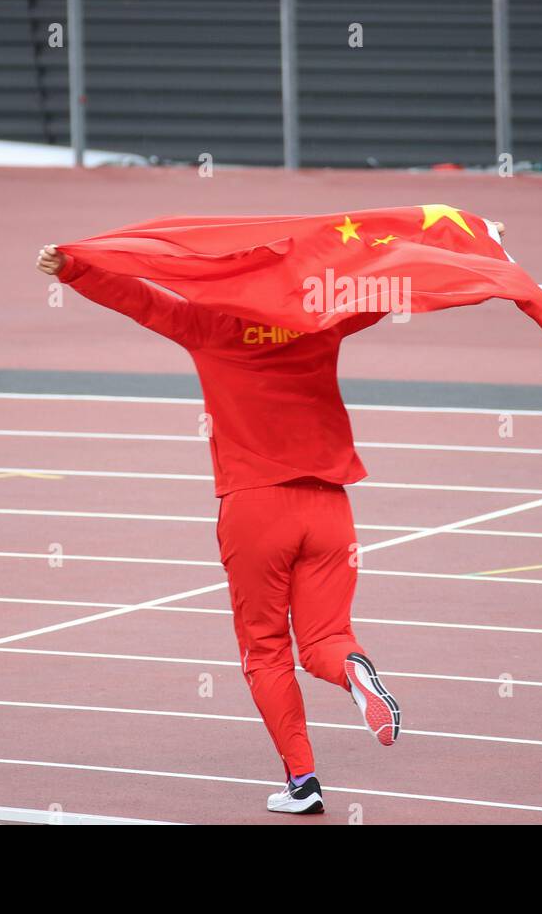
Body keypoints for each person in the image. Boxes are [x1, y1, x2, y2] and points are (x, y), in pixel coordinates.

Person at [35, 239, 412, 815]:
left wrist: (72, 268)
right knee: (324, 641)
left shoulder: (207, 326)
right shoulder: (323, 319)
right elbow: (387, 288)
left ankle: (303, 782)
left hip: (255, 507)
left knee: (265, 651)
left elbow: (139, 300)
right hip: (330, 503)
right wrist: (469, 248)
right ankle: (353, 672)